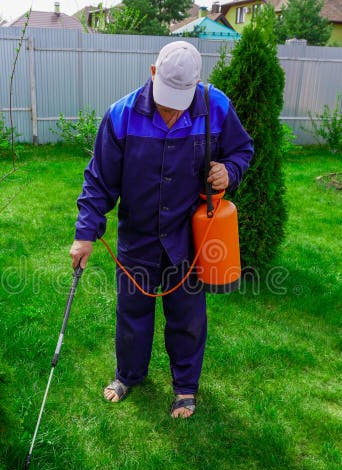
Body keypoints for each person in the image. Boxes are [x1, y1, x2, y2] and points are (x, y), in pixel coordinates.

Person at [69, 41, 253, 418]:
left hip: (188, 240)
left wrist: (229, 171)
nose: (170, 109)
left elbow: (242, 150)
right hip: (136, 237)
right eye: (166, 98)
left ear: (198, 84)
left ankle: (185, 388)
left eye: (179, 101)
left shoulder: (216, 106)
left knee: (187, 317)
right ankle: (128, 375)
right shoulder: (120, 115)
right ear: (153, 73)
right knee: (132, 312)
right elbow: (100, 181)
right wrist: (85, 233)